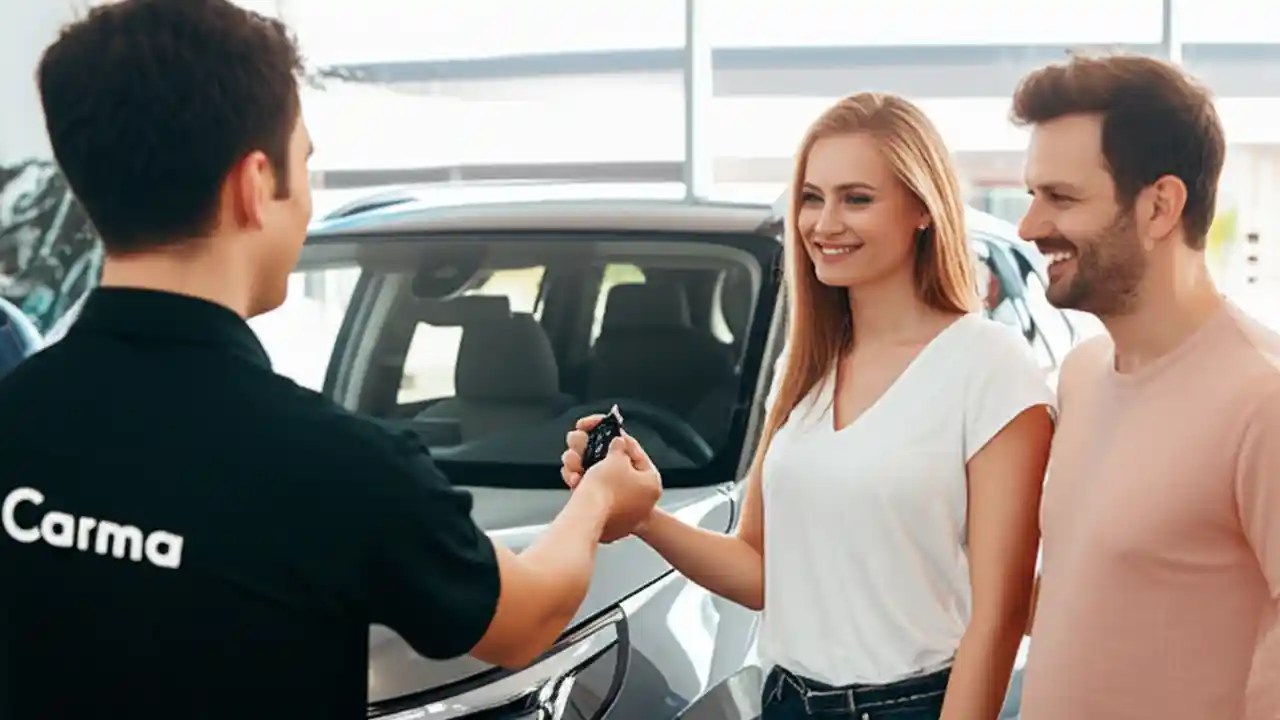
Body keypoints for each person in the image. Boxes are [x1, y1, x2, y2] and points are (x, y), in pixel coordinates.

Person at [0, 2, 659, 719]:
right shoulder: (340, 468)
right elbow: (527, 620)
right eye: (306, 164)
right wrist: (597, 498)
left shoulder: (16, 416)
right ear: (255, 186)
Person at [563, 93, 1056, 719]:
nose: (824, 224)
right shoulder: (805, 368)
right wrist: (644, 517)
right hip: (785, 701)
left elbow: (1001, 614)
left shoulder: (989, 365)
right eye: (811, 197)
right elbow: (760, 573)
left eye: (857, 198)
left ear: (922, 210)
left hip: (912, 706)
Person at [1011, 53, 1280, 720]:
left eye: (1061, 198)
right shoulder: (1081, 376)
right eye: (1033, 196)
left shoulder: (1262, 400)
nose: (1030, 227)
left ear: (1159, 207)